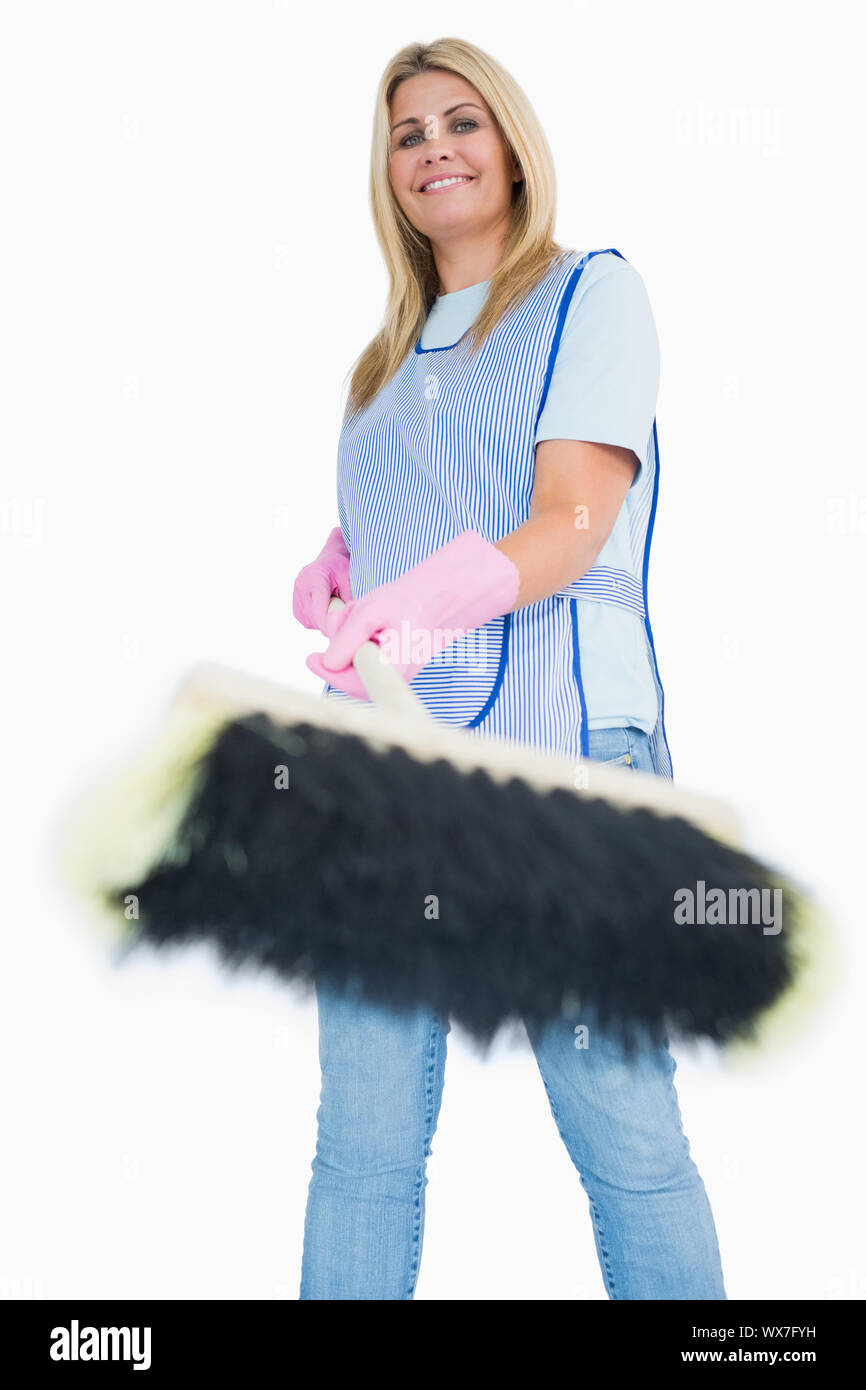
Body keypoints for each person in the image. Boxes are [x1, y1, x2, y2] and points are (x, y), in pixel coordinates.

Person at [291, 35, 726, 1300]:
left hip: (559, 763)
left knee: (624, 1141)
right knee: (359, 1152)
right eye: (408, 132)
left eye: (460, 121)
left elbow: (572, 518)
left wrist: (419, 608)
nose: (433, 149)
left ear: (512, 144)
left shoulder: (591, 292)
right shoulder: (379, 363)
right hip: (384, 778)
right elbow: (404, 519)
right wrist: (336, 572)